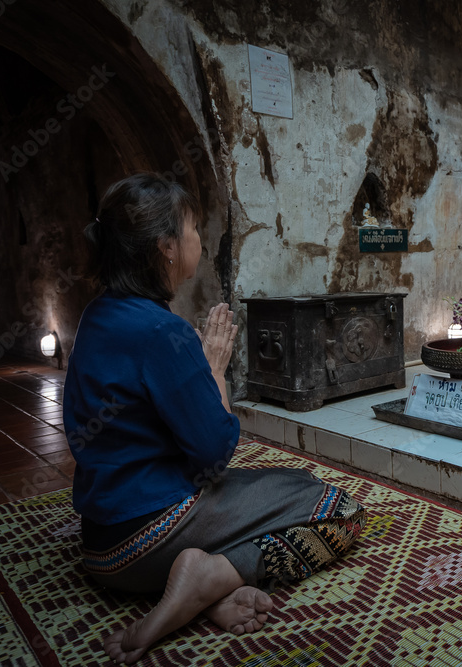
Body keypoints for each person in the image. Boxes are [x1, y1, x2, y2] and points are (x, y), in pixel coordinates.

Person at [63, 173, 367, 664]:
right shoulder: (164, 332)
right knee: (336, 507)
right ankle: (211, 578)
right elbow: (215, 453)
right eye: (192, 229)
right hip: (150, 539)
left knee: (282, 480)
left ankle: (209, 594)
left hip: (100, 547)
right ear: (165, 246)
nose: (199, 240)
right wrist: (215, 372)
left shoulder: (96, 315)